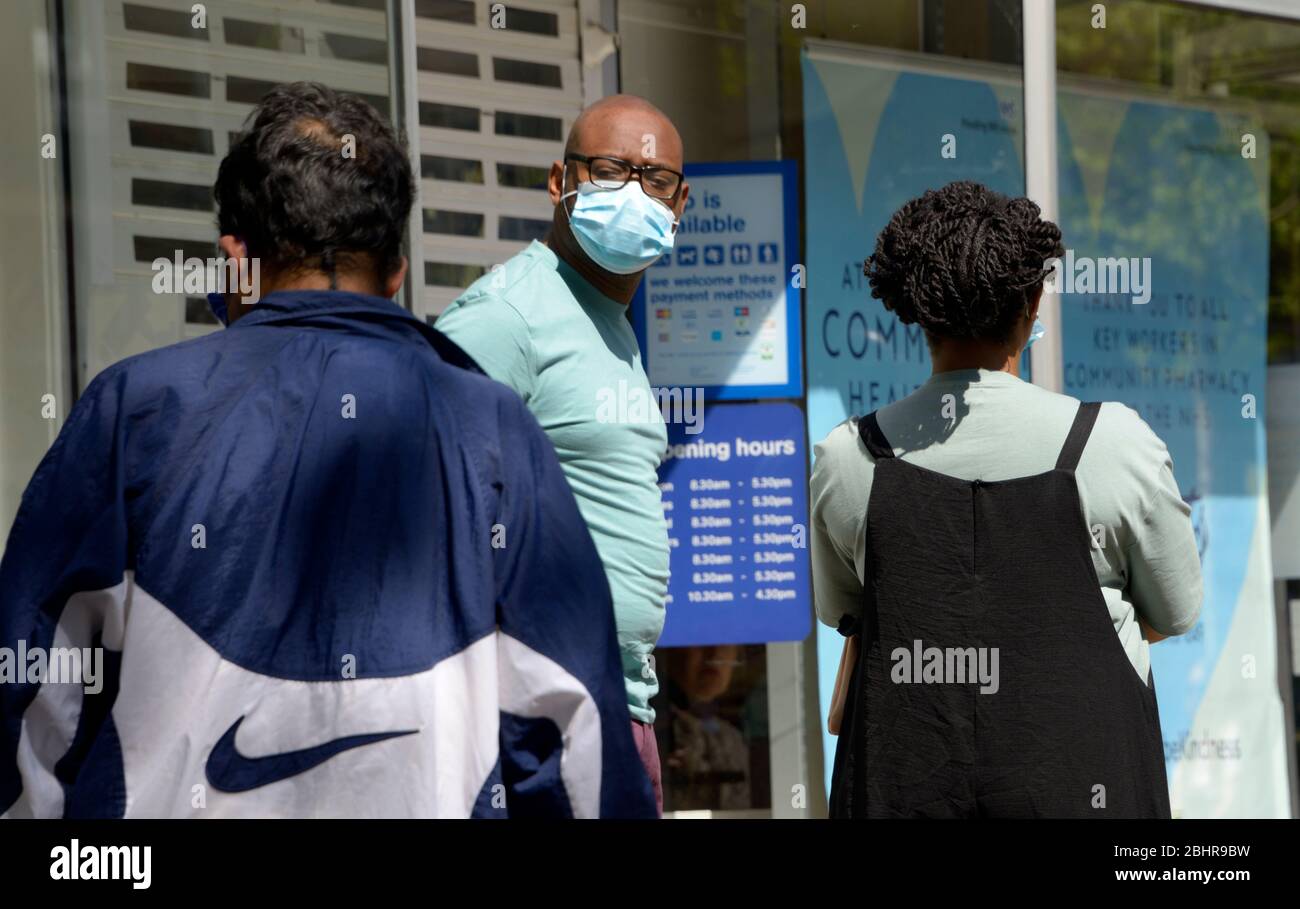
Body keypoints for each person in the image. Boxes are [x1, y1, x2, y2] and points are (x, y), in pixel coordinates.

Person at [0, 82, 654, 819]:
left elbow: (31, 702)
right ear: (399, 272)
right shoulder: (495, 429)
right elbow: (578, 742)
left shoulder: (134, 413)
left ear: (233, 262)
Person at [812, 181, 1202, 818]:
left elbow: (847, 613)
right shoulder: (1113, 445)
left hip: (903, 786)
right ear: (1031, 302)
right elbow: (1175, 610)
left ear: (915, 309)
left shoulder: (849, 459)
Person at [434, 94, 690, 814]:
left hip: (617, 705)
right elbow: (432, 503)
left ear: (681, 203)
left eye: (656, 178)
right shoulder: (508, 316)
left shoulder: (609, 321)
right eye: (611, 170)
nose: (635, 192)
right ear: (560, 182)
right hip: (534, 722)